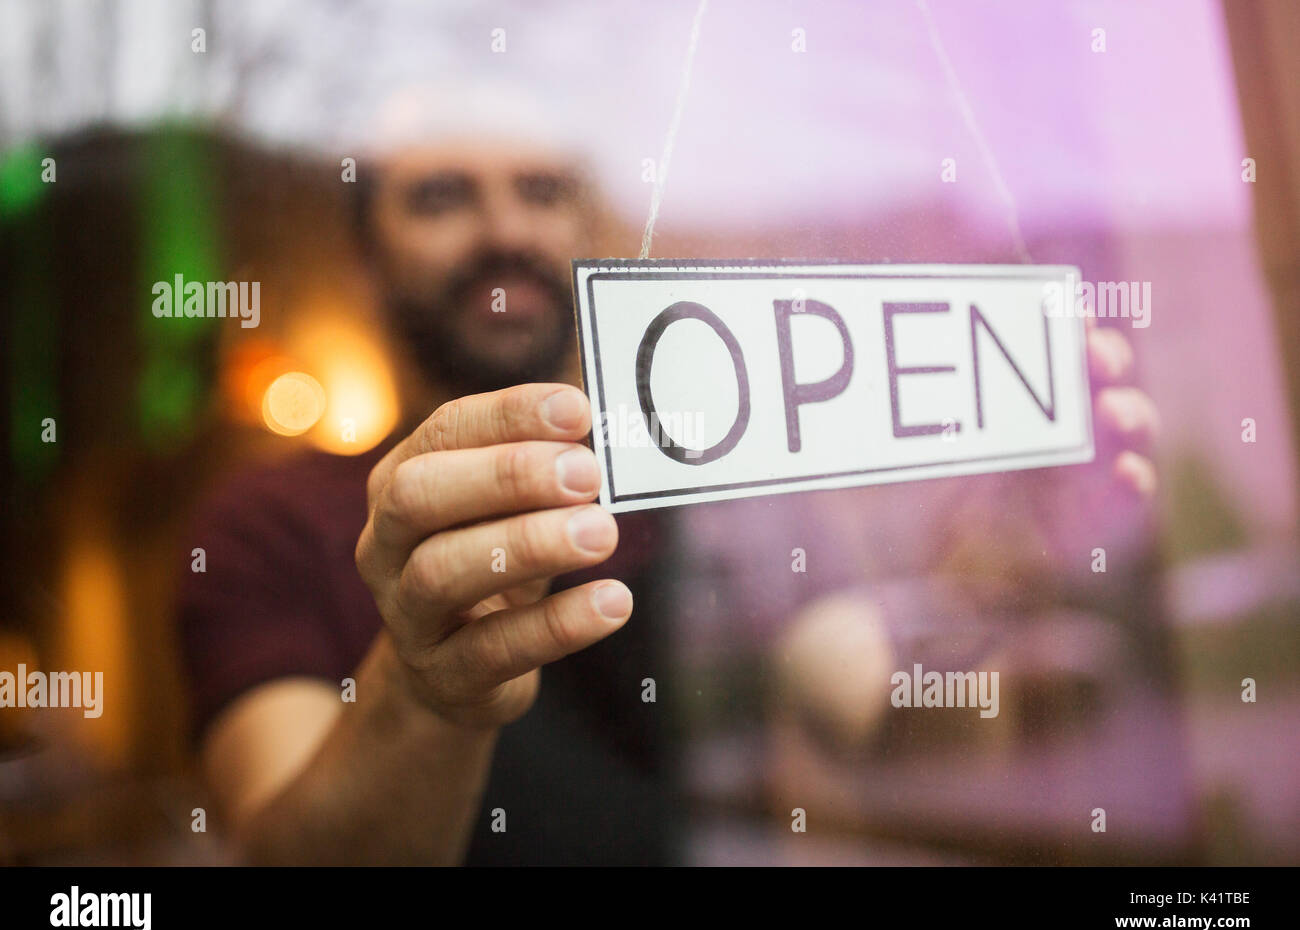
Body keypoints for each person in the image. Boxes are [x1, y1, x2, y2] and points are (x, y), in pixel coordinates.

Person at [178, 125, 1159, 866]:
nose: (505, 227)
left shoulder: (710, 481)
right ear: (366, 260)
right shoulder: (265, 527)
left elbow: (867, 711)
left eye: (542, 189)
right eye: (441, 197)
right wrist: (431, 679)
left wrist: (1006, 559)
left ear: (589, 229)